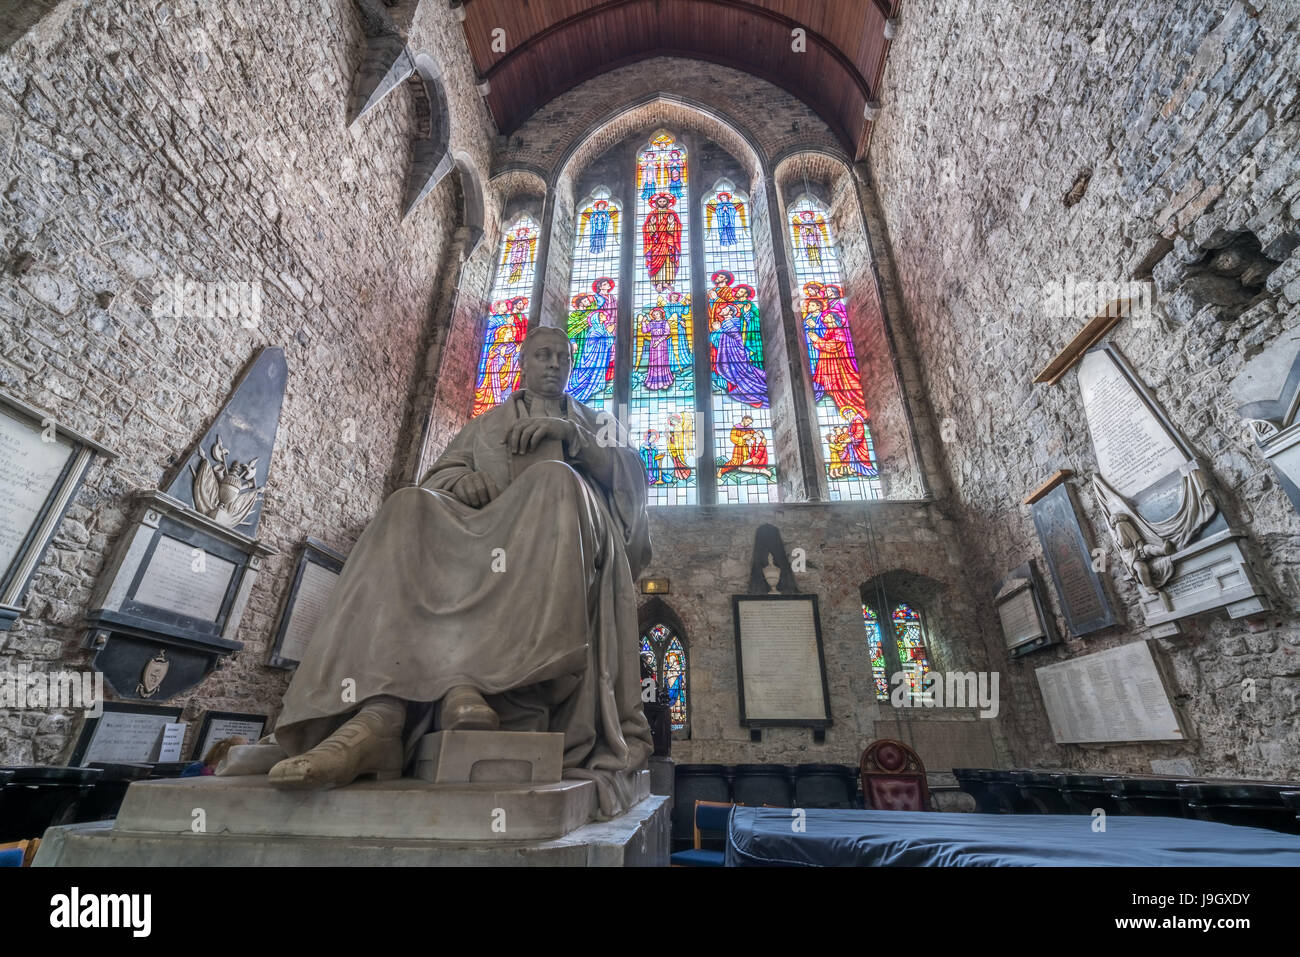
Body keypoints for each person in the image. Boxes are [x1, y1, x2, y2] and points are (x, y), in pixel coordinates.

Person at [269, 326, 654, 818]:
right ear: (523, 361)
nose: (553, 363)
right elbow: (439, 477)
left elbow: (633, 487)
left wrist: (574, 440)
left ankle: (490, 689)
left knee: (554, 482)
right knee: (407, 506)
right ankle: (381, 713)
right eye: (542, 354)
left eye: (562, 355)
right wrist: (463, 482)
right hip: (487, 532)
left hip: (570, 531)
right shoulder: (485, 425)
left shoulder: (596, 421)